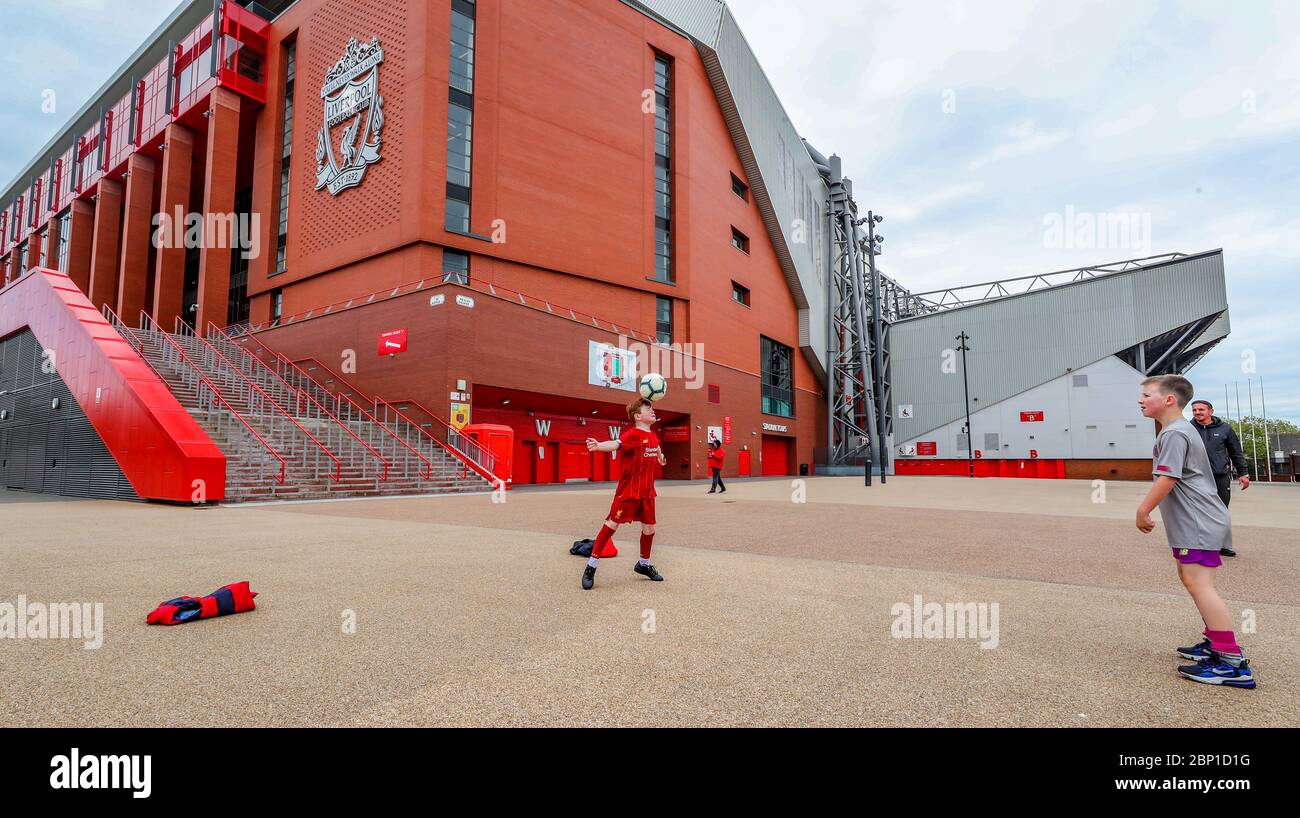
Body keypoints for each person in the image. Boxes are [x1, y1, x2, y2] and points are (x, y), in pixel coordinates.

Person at [1136, 375, 1255, 688]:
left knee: (1199, 584)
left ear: (1169, 399)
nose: (1141, 400)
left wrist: (1142, 510)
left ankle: (1232, 663)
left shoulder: (1174, 434)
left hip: (1198, 523)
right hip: (1195, 523)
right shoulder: (1178, 430)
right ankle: (1215, 642)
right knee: (1192, 581)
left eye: (1147, 395)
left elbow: (1167, 478)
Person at [581, 398, 666, 590]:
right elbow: (616, 443)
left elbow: (656, 446)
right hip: (629, 492)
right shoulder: (633, 435)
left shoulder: (652, 435)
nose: (652, 411)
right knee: (612, 524)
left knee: (649, 529)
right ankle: (591, 566)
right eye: (648, 408)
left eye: (652, 408)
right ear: (638, 416)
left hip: (647, 493)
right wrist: (599, 446)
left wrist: (661, 458)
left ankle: (643, 564)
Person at [1190, 399, 1249, 557]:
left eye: (1201, 409)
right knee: (1195, 511)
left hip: (1219, 476)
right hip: (1195, 477)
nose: (1197, 412)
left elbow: (1235, 451)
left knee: (1221, 511)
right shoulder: (1188, 428)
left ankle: (1223, 545)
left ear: (1211, 411)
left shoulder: (1225, 429)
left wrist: (1243, 473)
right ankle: (1196, 544)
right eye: (1194, 410)